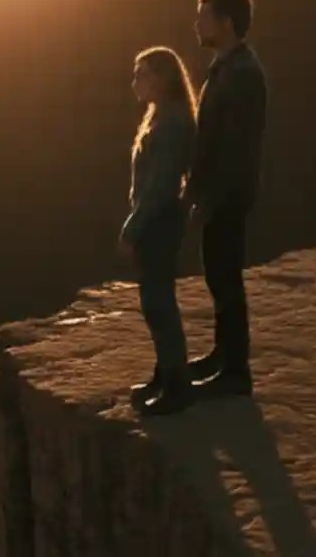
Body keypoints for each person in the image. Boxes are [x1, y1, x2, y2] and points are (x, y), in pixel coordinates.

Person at [185, 0, 268, 399]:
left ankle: (235, 372)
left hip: (228, 197)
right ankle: (223, 355)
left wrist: (209, 199)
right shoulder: (228, 68)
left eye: (204, 15)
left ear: (227, 22)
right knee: (218, 277)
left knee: (226, 278)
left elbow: (233, 149)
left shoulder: (242, 76)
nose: (196, 22)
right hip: (220, 194)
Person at [119, 46, 198, 416]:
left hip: (159, 220)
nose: (135, 82)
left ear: (162, 79)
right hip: (158, 218)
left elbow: (160, 185)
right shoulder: (161, 115)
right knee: (155, 301)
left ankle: (176, 386)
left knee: (159, 303)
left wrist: (132, 228)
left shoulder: (171, 122)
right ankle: (164, 375)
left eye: (142, 74)